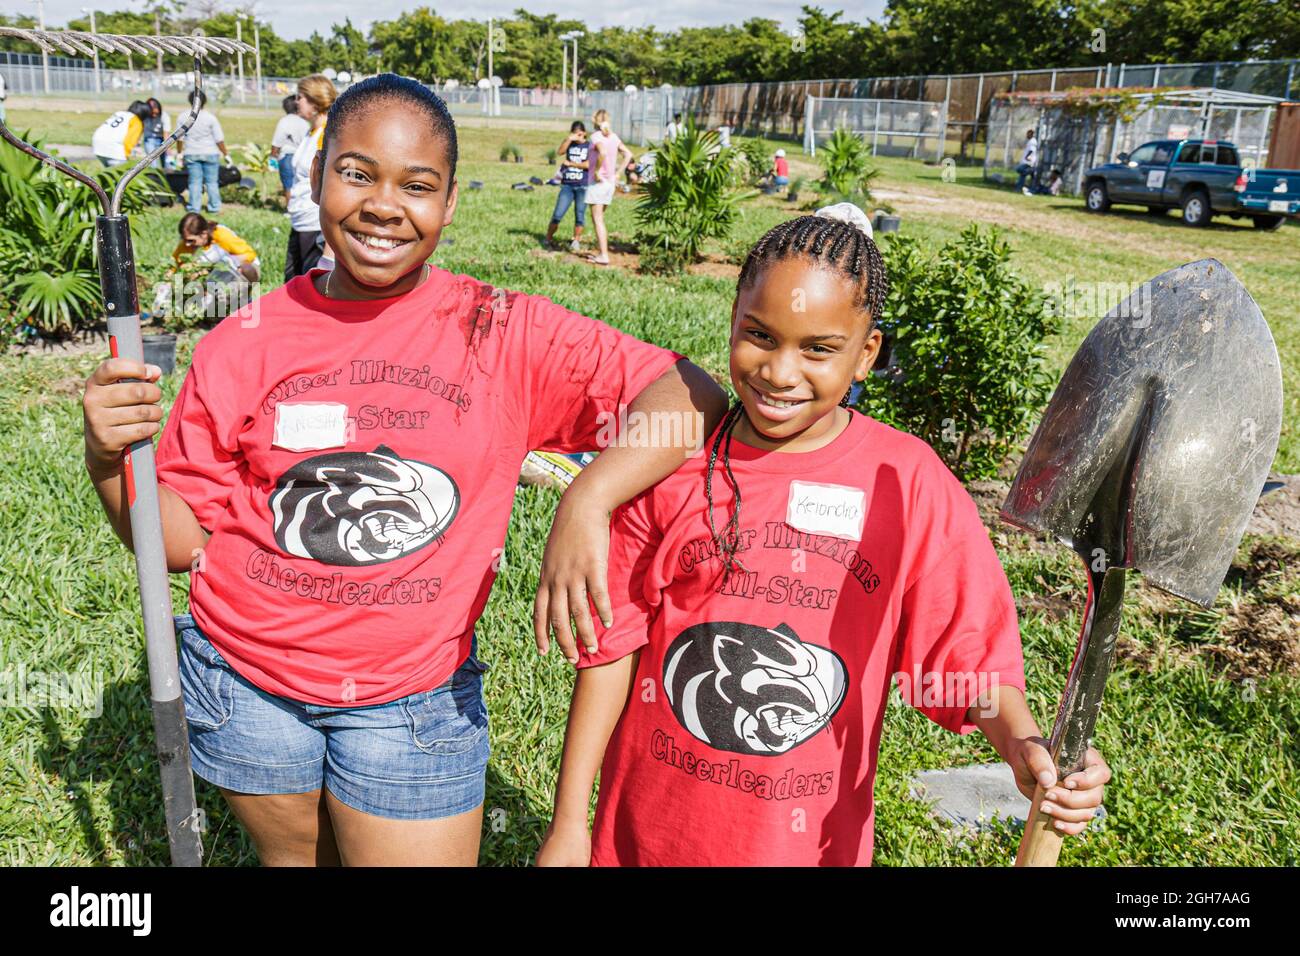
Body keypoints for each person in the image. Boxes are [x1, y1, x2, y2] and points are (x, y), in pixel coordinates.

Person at [81, 73, 727, 868]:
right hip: (244, 684)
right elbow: (176, 544)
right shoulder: (240, 341)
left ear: (450, 202)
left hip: (412, 704)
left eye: (417, 185)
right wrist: (110, 462)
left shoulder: (500, 330)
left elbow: (694, 393)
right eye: (356, 173)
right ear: (317, 176)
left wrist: (589, 497)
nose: (384, 205)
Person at [536, 203, 1112, 867]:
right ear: (731, 320)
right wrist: (570, 826)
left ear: (866, 353)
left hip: (804, 850)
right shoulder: (675, 461)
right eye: (760, 336)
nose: (780, 373)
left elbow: (964, 657)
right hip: (646, 840)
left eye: (818, 349)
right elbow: (614, 651)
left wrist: (1020, 744)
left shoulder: (907, 483)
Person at [285, 73, 338, 281]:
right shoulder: (311, 133)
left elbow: (331, 185)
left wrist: (328, 248)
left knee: (309, 285)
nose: (296, 102)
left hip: (314, 222)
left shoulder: (327, 135)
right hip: (299, 219)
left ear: (315, 101)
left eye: (300, 97)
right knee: (291, 281)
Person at [587, 108, 633, 267]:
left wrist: (597, 170)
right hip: (610, 184)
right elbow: (628, 154)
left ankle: (604, 255)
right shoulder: (614, 137)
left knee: (597, 219)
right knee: (599, 219)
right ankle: (602, 251)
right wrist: (618, 173)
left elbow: (603, 152)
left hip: (598, 183)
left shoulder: (595, 136)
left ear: (594, 121)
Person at [171, 212, 260, 283]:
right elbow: (175, 263)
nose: (187, 244)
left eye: (191, 240)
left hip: (242, 269)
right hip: (213, 274)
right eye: (184, 239)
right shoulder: (188, 243)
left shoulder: (222, 236)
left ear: (204, 234)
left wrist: (229, 262)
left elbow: (250, 255)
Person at [181, 90, 230, 214]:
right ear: (205, 101)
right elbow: (219, 139)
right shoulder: (210, 117)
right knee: (212, 182)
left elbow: (179, 138)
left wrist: (178, 153)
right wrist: (226, 154)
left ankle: (194, 208)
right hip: (210, 152)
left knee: (194, 182)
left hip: (191, 152)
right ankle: (214, 207)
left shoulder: (183, 117)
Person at [545, 120, 591, 253]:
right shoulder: (570, 144)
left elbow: (588, 165)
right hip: (567, 185)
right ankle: (548, 238)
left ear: (585, 133)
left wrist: (571, 164)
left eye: (580, 134)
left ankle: (576, 240)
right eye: (575, 134)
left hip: (583, 185)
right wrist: (568, 139)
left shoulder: (589, 146)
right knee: (557, 214)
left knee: (580, 214)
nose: (578, 137)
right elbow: (559, 152)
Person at [271, 93, 310, 205]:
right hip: (301, 157)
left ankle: (290, 209)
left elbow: (277, 142)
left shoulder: (284, 121)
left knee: (288, 184)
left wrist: (272, 157)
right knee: (299, 183)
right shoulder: (304, 123)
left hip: (287, 156)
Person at [91, 100, 152, 168]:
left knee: (109, 173)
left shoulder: (119, 113)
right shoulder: (137, 121)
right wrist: (126, 157)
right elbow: (129, 141)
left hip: (97, 145)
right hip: (114, 149)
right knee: (122, 175)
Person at [142, 97, 171, 169]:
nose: (154, 115)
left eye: (156, 113)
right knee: (152, 163)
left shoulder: (164, 116)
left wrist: (168, 148)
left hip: (162, 139)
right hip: (149, 139)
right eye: (152, 113)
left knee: (166, 163)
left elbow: (166, 133)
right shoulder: (144, 115)